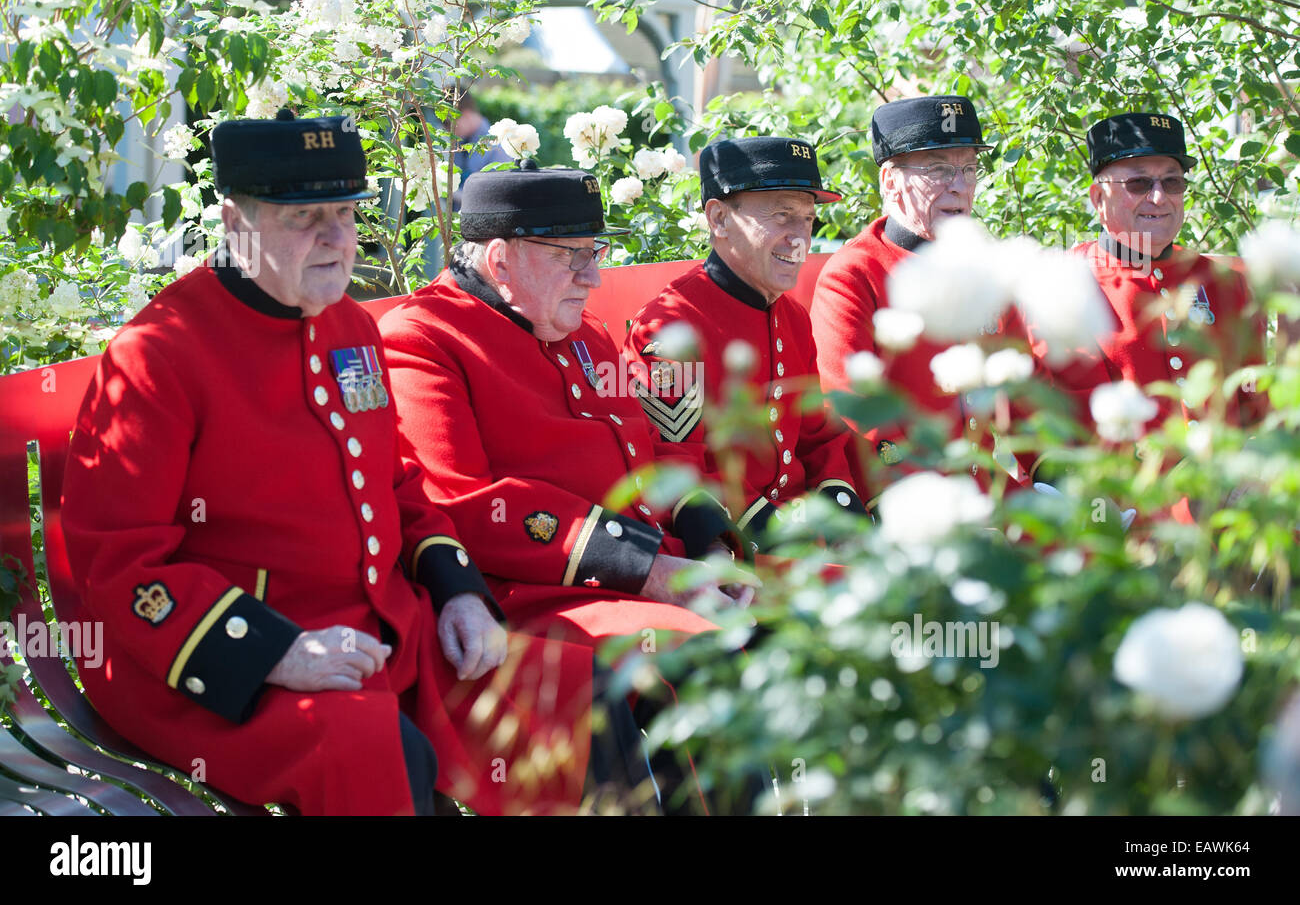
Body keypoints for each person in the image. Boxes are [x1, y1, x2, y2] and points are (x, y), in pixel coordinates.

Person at [61, 111, 629, 816]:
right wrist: (275, 653)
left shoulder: (350, 327)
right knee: (378, 752)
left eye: (346, 212)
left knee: (584, 696)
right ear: (236, 221)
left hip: (385, 628)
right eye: (306, 218)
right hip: (224, 661)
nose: (337, 238)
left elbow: (397, 485)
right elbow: (120, 564)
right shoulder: (159, 354)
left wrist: (458, 593)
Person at [379, 160, 755, 654]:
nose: (593, 277)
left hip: (663, 570)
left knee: (809, 616)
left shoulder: (587, 331)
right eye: (572, 256)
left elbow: (653, 449)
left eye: (595, 251)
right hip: (546, 596)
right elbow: (466, 505)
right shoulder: (423, 338)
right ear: (500, 262)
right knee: (725, 656)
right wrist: (650, 570)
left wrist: (710, 545)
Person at [623, 136, 866, 551]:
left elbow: (814, 434)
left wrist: (845, 513)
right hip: (736, 548)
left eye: (807, 219)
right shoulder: (669, 328)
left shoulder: (790, 315)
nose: (799, 237)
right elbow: (676, 467)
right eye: (782, 215)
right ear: (718, 219)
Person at [810, 95, 1026, 493]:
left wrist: (1049, 476)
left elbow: (1024, 392)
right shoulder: (854, 274)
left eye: (969, 169)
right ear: (890, 181)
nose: (959, 186)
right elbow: (857, 413)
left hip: (993, 495)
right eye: (939, 170)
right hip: (913, 500)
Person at [1047, 112, 1265, 436]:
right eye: (1138, 184)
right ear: (1098, 199)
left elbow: (1255, 407)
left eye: (1172, 182)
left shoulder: (1225, 282)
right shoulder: (1065, 284)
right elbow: (1072, 428)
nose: (1159, 197)